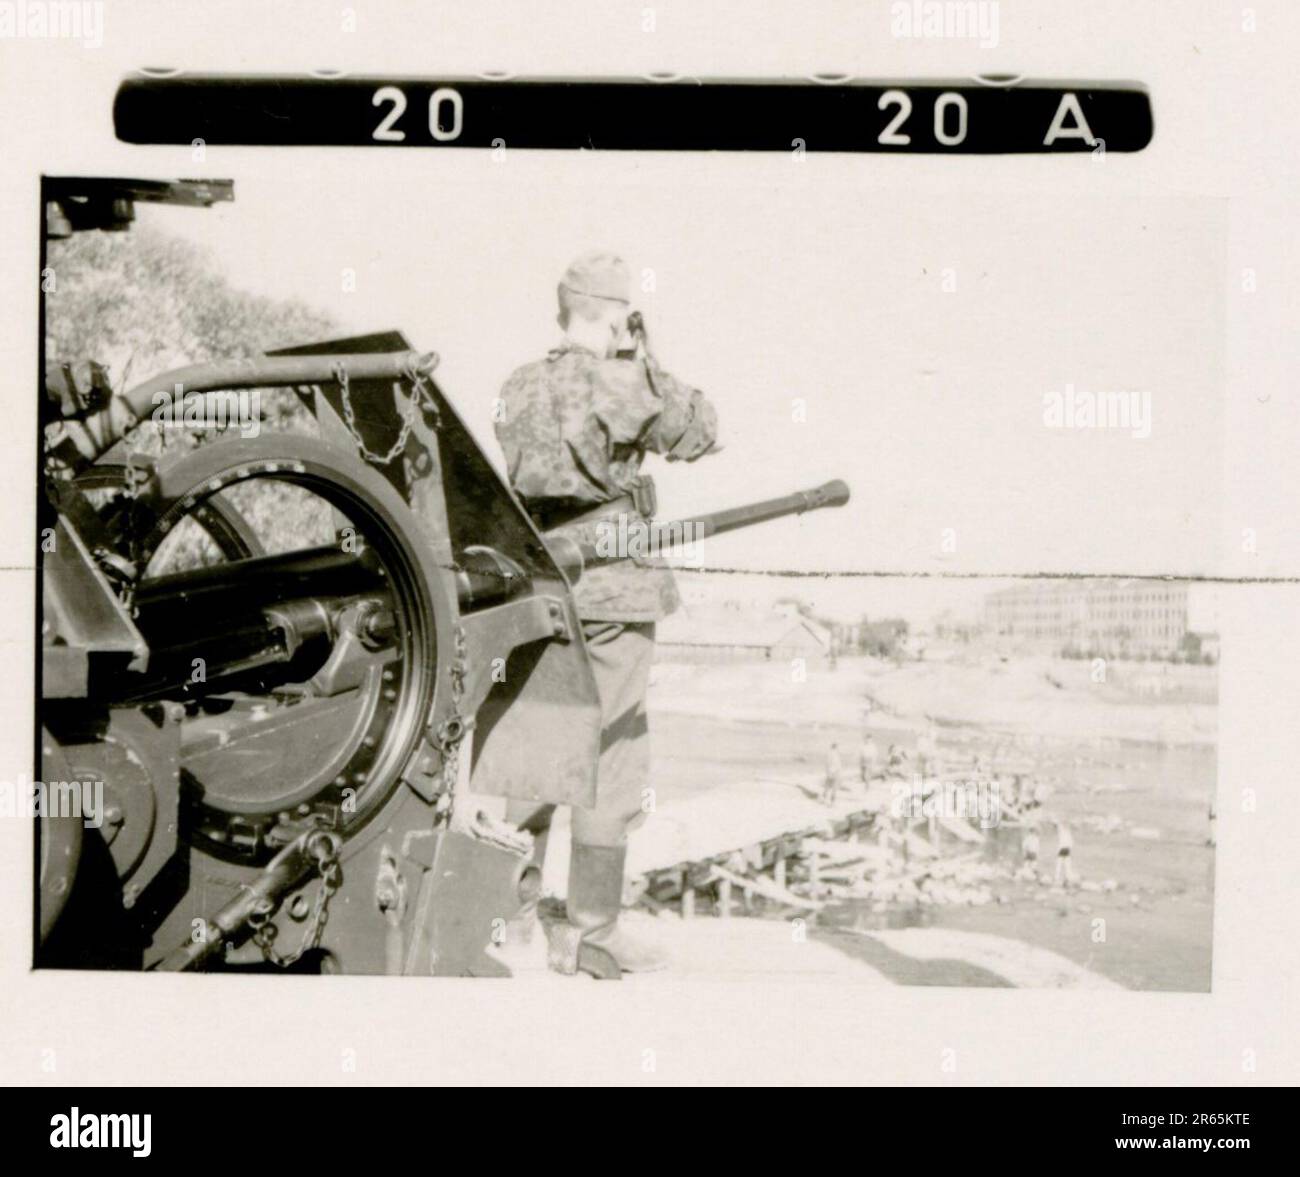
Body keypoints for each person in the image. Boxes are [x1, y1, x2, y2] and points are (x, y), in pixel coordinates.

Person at [494, 250, 718, 977]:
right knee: (610, 748)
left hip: (538, 584)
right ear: (615, 311)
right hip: (615, 587)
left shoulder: (519, 383)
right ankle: (591, 934)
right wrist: (647, 352)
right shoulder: (625, 379)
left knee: (533, 740)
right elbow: (700, 429)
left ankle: (511, 916)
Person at [1053, 819, 1075, 888]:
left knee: (1059, 863)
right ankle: (1068, 876)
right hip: (1067, 849)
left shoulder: (1062, 832)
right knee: (1067, 864)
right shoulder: (1067, 833)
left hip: (1062, 848)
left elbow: (1057, 826)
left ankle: (1057, 877)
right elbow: (1071, 843)